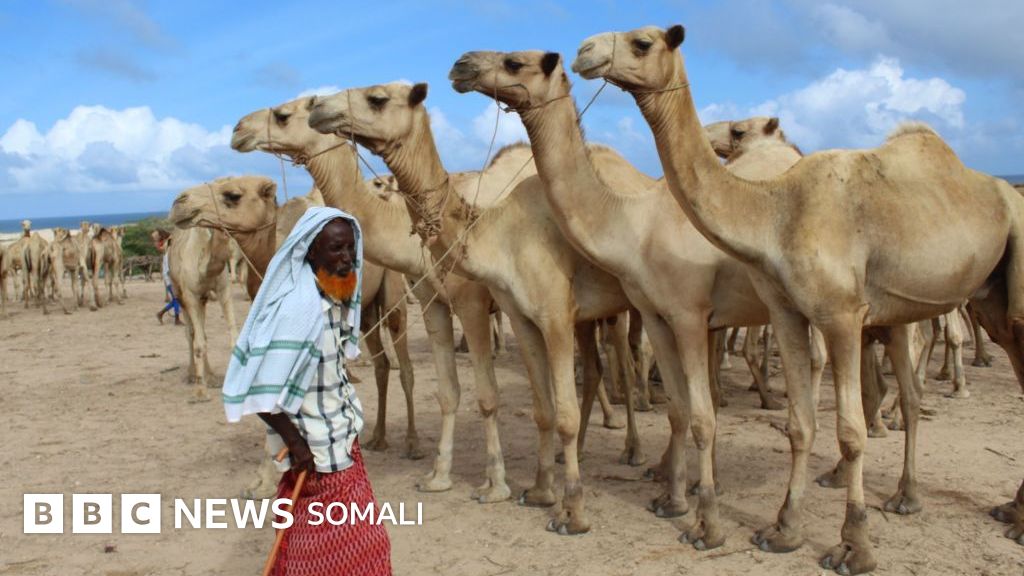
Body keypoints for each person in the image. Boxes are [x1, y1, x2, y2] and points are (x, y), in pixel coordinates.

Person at [222, 207, 391, 576]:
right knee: (329, 554)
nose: (346, 258)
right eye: (336, 249)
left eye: (350, 248)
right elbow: (258, 388)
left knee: (361, 549)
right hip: (315, 458)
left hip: (344, 445)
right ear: (311, 252)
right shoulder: (298, 310)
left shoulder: (333, 299)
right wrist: (296, 445)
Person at [153, 229, 182, 326]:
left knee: (176, 299)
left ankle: (162, 314)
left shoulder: (168, 254)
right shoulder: (168, 255)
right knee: (176, 299)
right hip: (170, 279)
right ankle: (165, 315)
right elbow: (169, 270)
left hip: (169, 278)